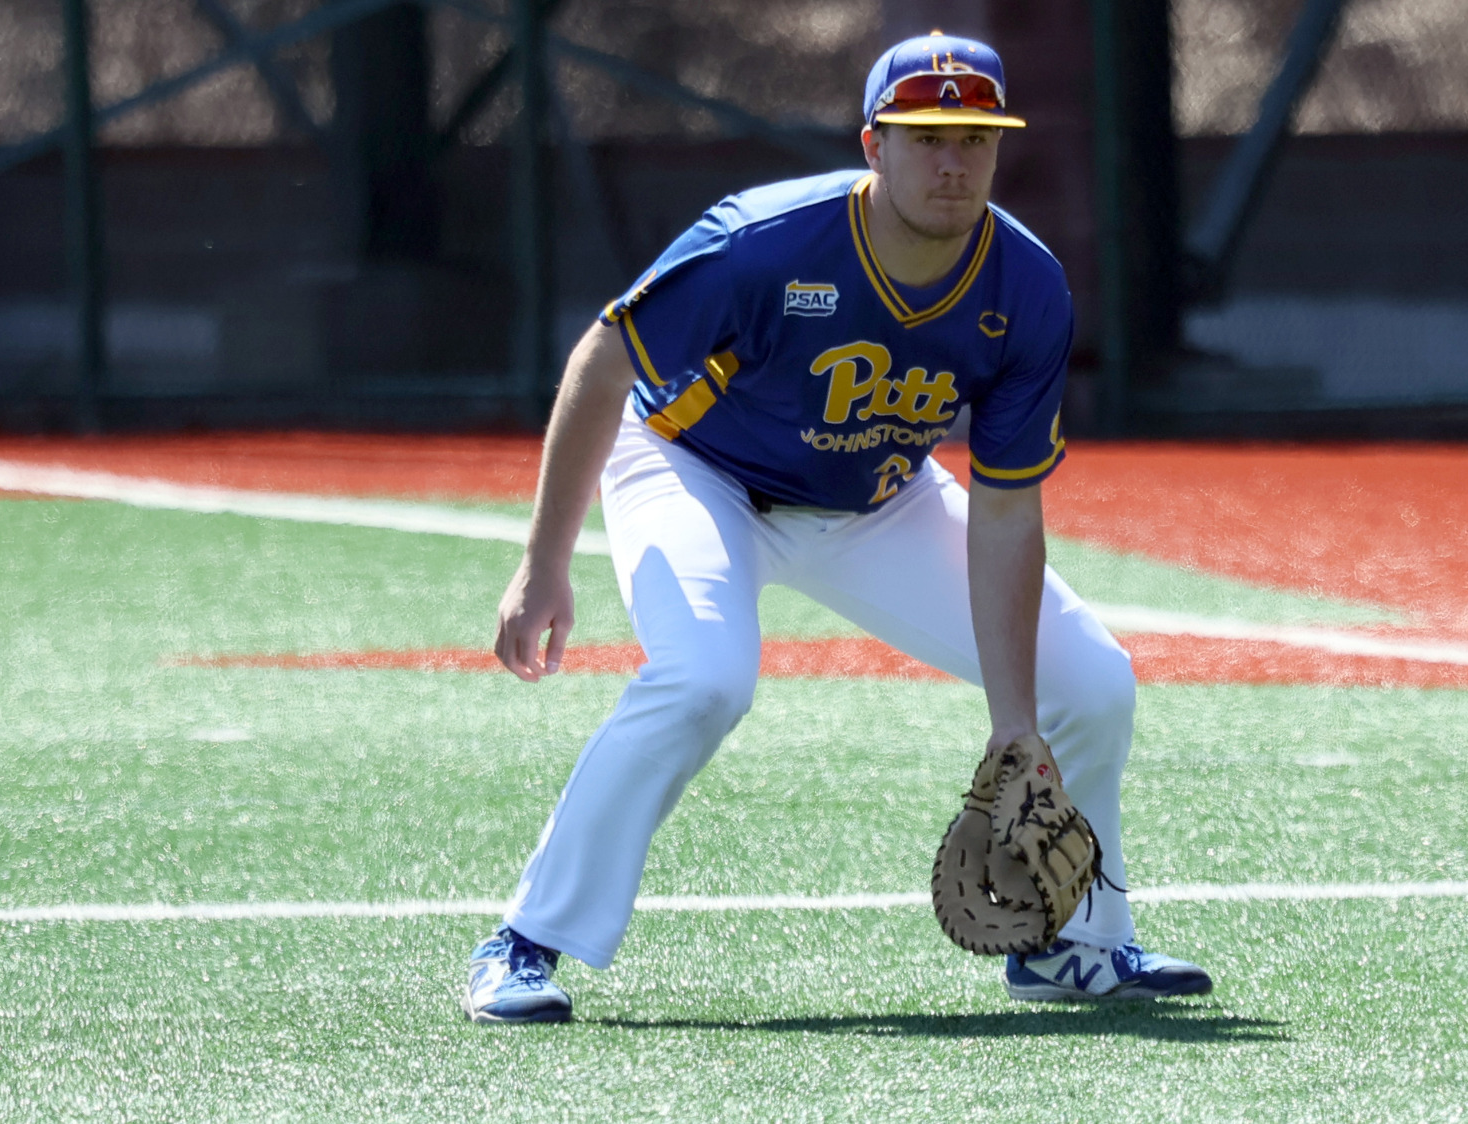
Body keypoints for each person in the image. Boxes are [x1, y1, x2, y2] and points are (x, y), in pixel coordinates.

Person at [463, 32, 1213, 1023]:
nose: (953, 161)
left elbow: (1003, 504)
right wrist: (543, 561)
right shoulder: (765, 239)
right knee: (703, 676)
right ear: (873, 144)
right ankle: (524, 940)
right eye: (926, 136)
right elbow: (606, 359)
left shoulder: (1023, 285)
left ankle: (1070, 943)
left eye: (974, 139)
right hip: (696, 471)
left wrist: (1011, 719)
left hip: (876, 499)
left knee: (1091, 683)